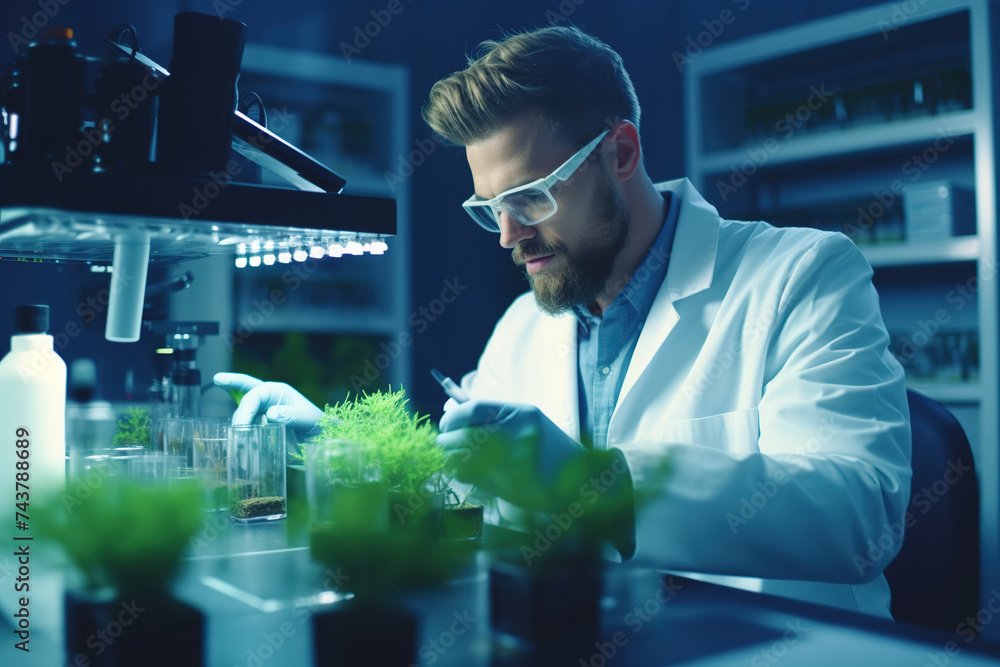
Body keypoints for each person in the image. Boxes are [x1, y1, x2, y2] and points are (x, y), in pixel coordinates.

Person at [215, 25, 911, 619]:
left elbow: (860, 512)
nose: (507, 235)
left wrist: (593, 483)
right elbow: (463, 495)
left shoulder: (802, 274)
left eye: (531, 197)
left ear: (621, 152)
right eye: (490, 208)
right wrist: (339, 447)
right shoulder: (524, 324)